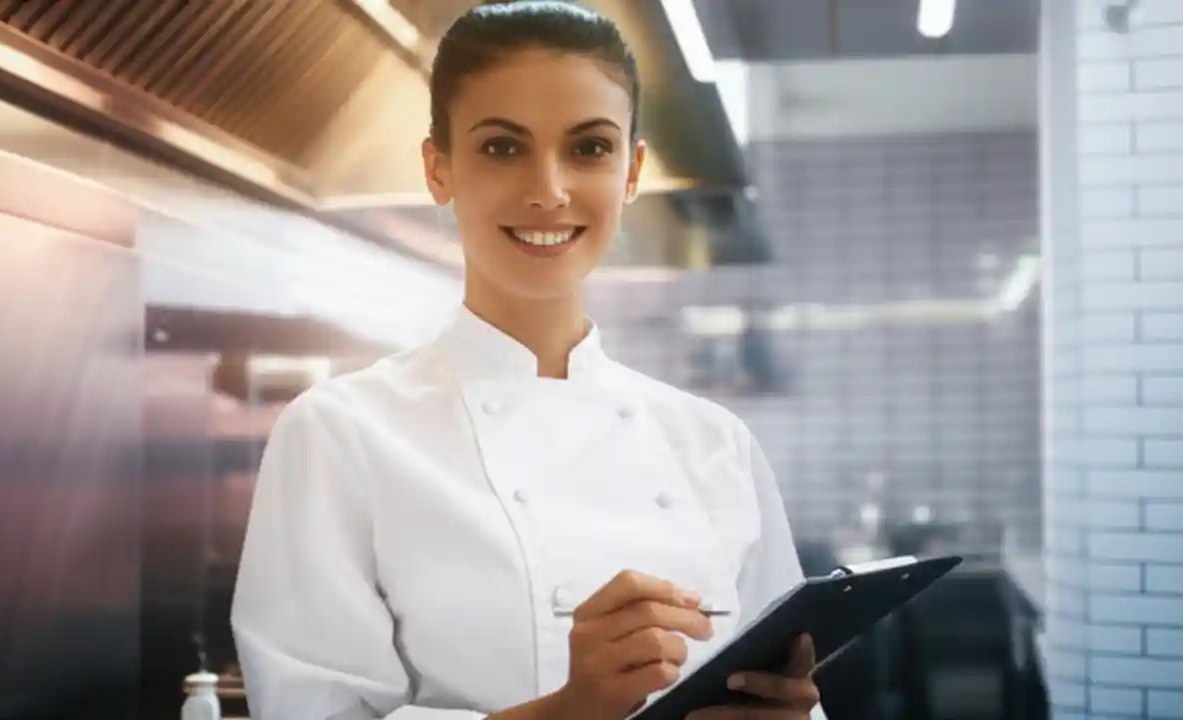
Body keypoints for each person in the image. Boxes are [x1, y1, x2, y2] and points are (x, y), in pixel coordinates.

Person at [231, 3, 822, 718]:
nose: (549, 190)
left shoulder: (715, 444)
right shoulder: (340, 433)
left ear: (632, 172)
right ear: (438, 167)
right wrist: (568, 710)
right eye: (503, 148)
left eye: (590, 148)